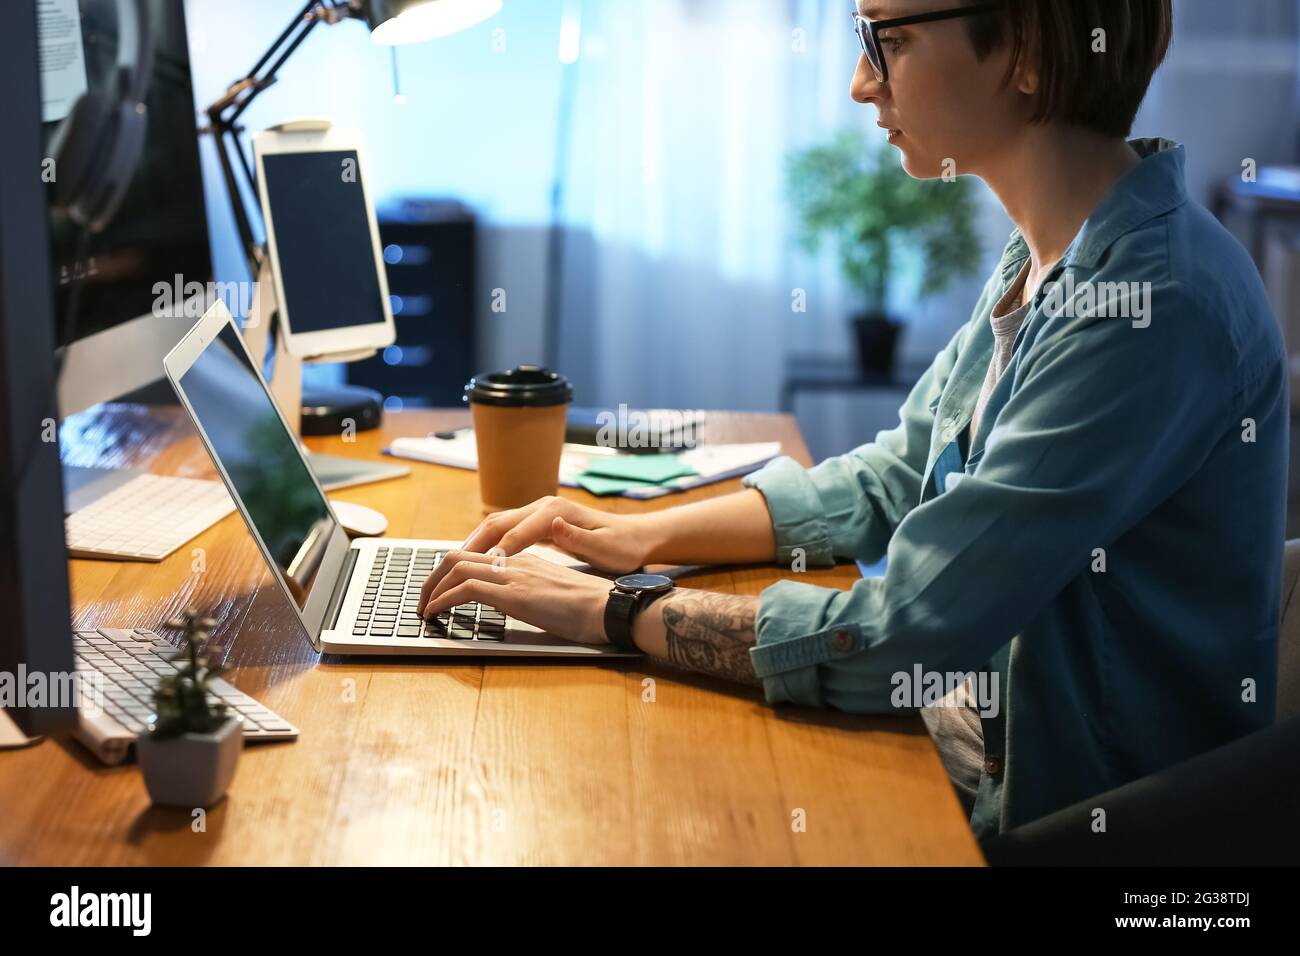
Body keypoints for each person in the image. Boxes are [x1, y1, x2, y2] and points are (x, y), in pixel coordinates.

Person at [418, 0, 1287, 839]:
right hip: (958, 751)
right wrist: (630, 538)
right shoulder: (1054, 254)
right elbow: (893, 476)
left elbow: (897, 639)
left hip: (1048, 819)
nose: (860, 83)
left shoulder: (1147, 307)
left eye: (890, 39)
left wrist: (617, 610)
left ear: (1024, 46)